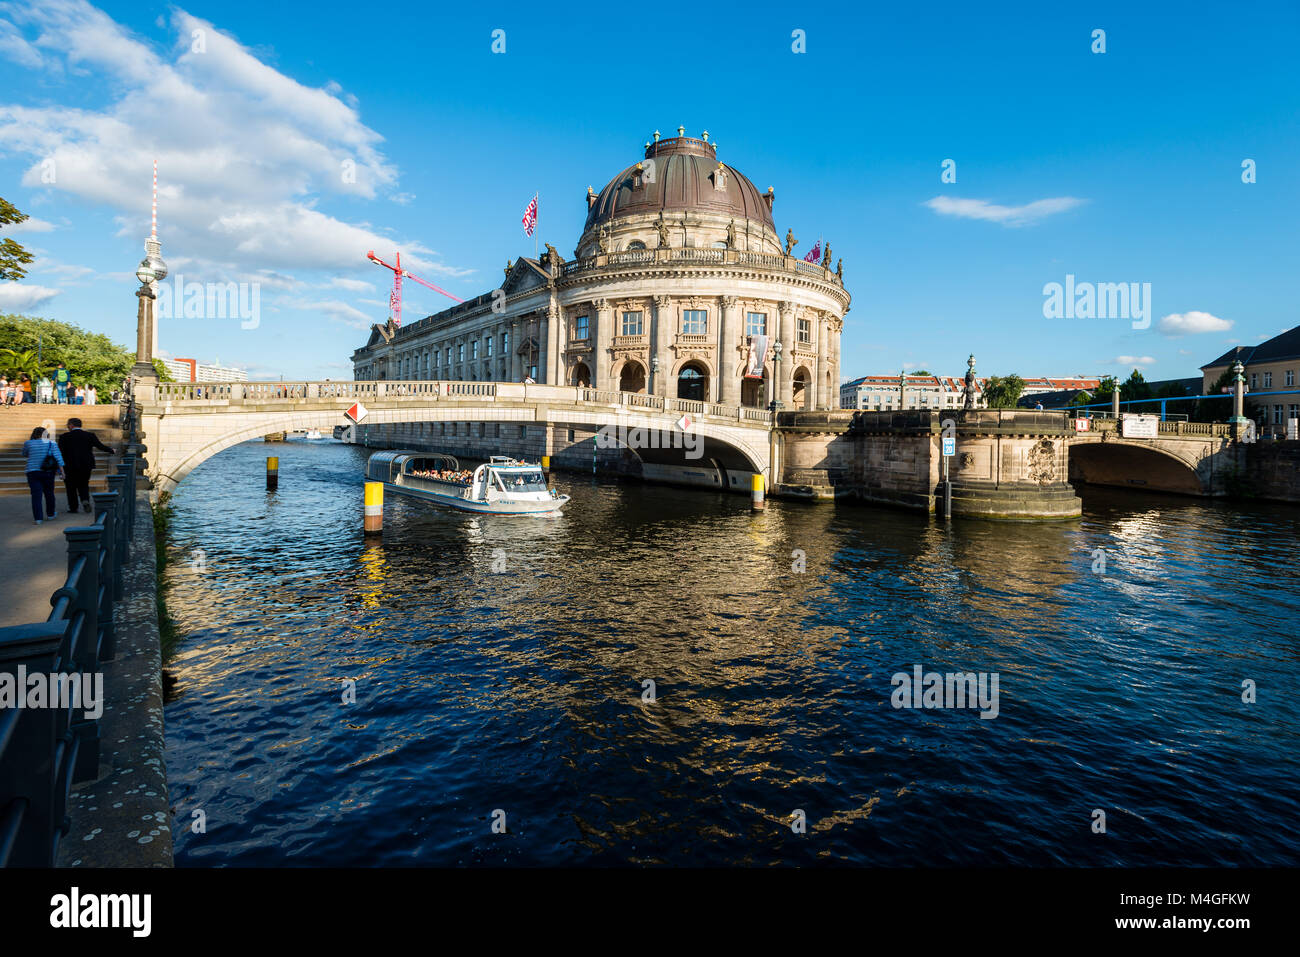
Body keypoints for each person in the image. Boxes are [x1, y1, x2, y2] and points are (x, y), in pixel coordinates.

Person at [57, 417, 117, 514]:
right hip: (86, 464)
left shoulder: (64, 437)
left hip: (69, 465)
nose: (67, 426)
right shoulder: (89, 435)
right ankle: (85, 500)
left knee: (70, 486)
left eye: (68, 425)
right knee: (84, 484)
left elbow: (60, 452)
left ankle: (73, 507)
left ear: (71, 425)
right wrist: (111, 450)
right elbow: (100, 446)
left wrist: (60, 466)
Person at [23, 427, 64, 524]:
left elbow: (24, 453)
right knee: (49, 493)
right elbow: (58, 458)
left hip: (32, 472)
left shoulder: (28, 443)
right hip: (48, 472)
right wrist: (62, 472)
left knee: (36, 496)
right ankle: (50, 514)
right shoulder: (52, 443)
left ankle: (38, 519)